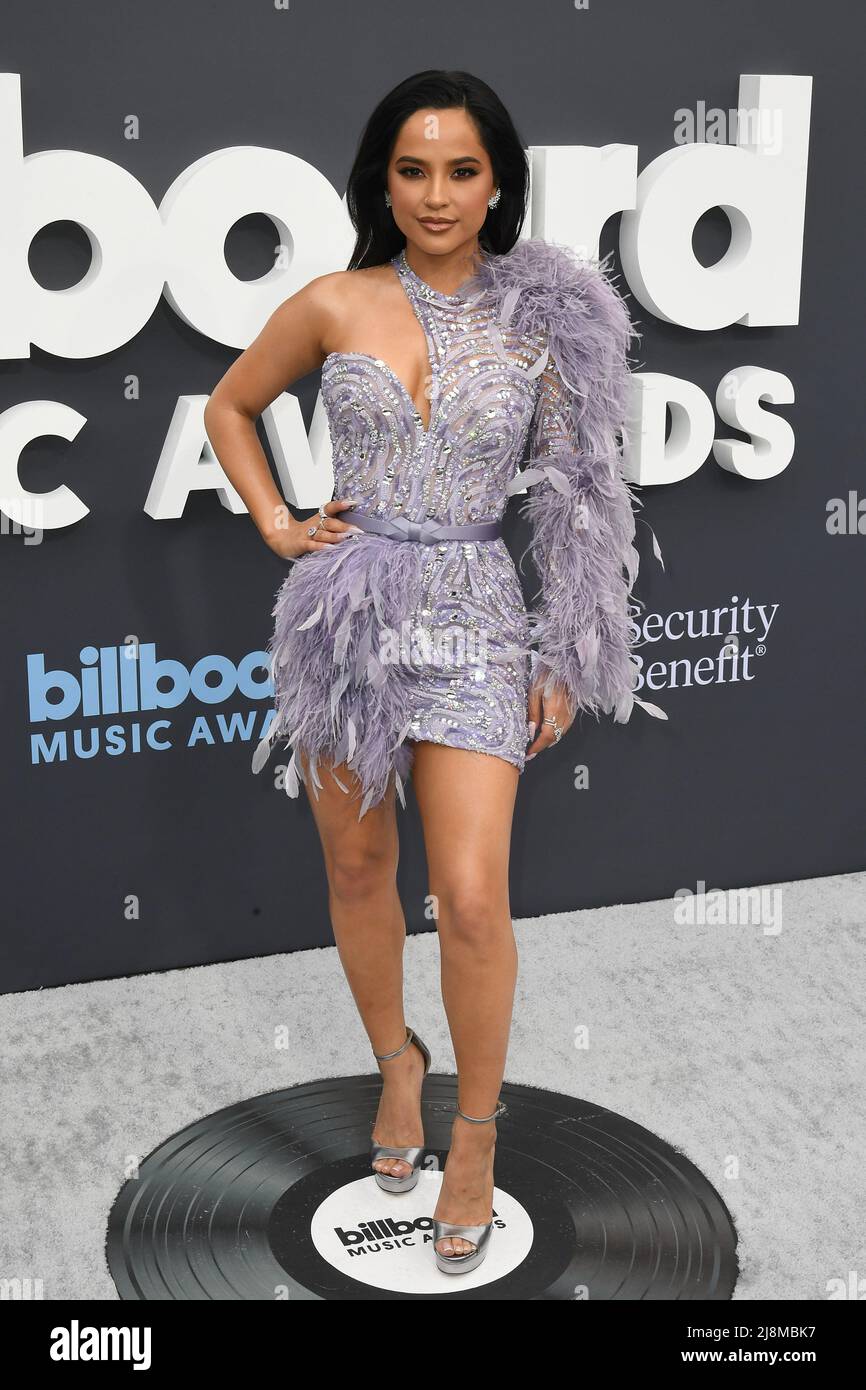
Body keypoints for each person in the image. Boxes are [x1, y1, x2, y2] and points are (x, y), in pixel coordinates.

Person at [204, 69, 662, 1278]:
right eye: (412, 169)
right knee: (358, 863)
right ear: (381, 180)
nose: (436, 194)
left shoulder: (541, 318)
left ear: (496, 178)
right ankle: (395, 1065)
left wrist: (566, 643)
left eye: (460, 169)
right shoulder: (333, 300)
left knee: (466, 892)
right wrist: (274, 521)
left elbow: (577, 490)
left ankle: (474, 1132)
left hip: (471, 611)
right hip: (344, 617)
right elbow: (231, 407)